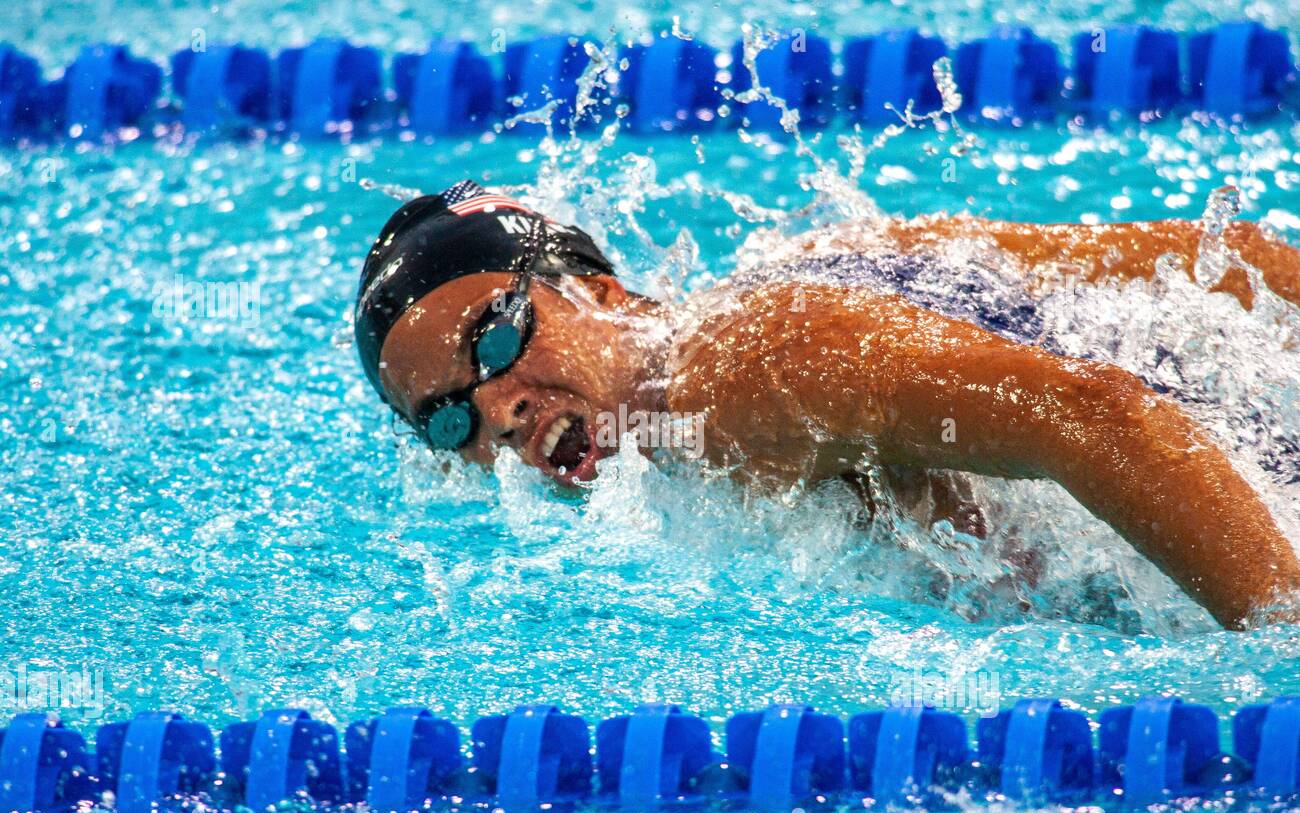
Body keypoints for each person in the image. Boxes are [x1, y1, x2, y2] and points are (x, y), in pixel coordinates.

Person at [354, 180, 1300, 630]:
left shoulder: (744, 375)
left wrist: (1282, 646)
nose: (501, 408)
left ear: (598, 292)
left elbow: (1094, 413)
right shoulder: (792, 281)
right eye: (451, 416)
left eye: (496, 336)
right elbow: (1233, 271)